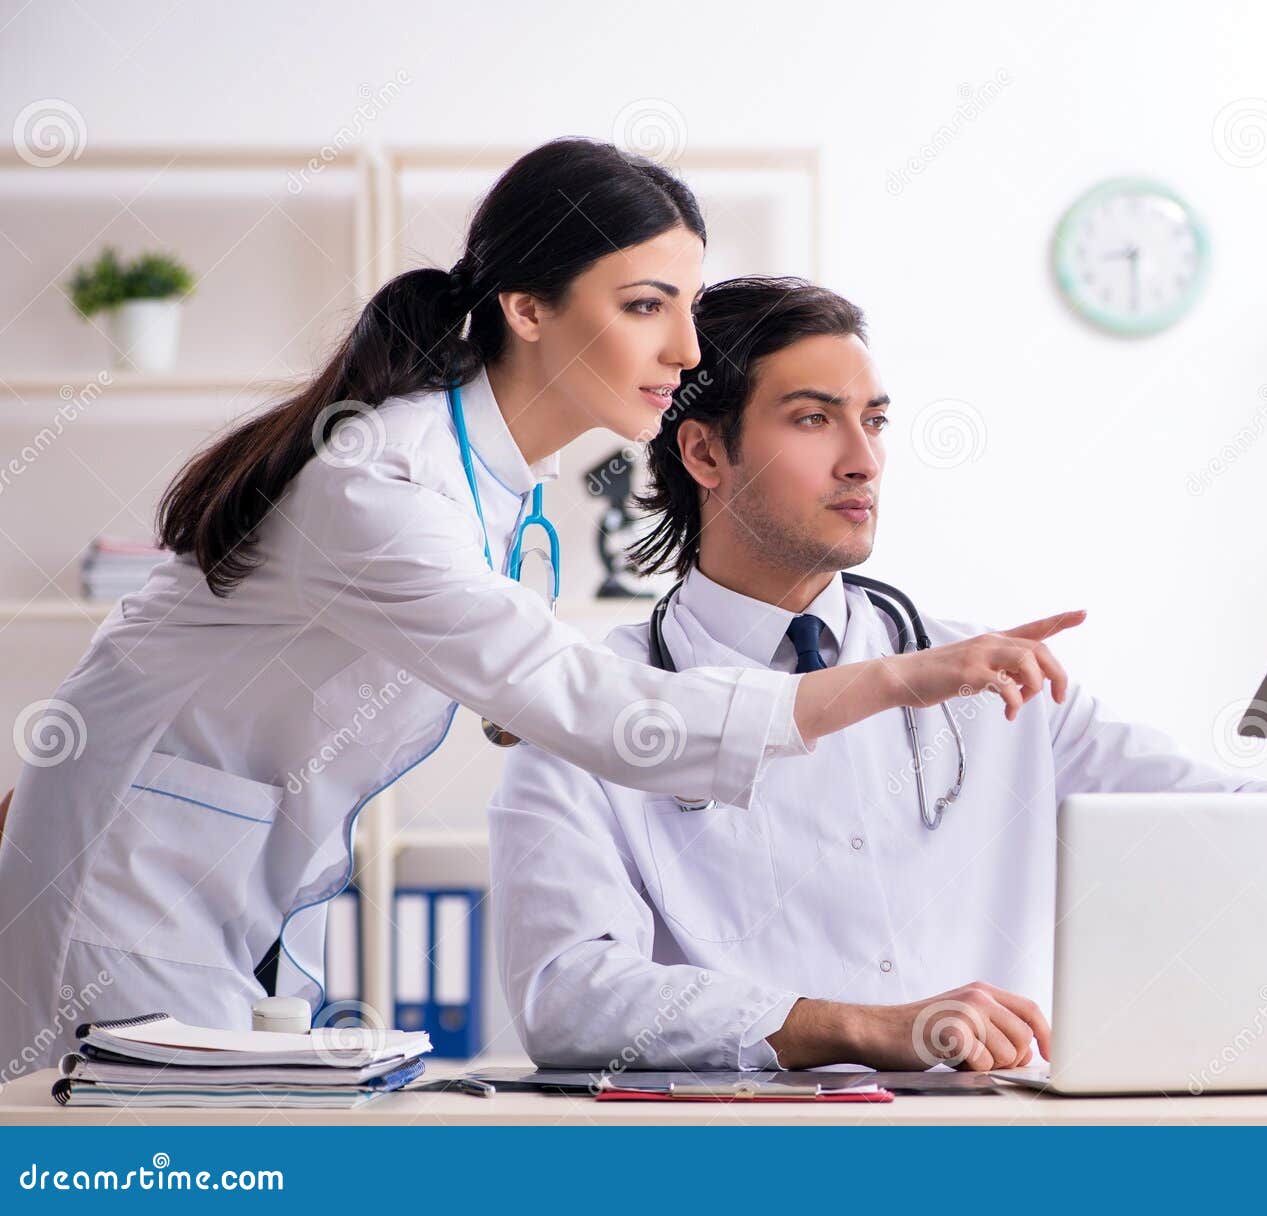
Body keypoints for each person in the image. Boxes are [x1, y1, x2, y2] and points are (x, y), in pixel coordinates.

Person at [0, 146, 1074, 1072]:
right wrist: (898, 677)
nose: (688, 352)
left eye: (688, 308)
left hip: (228, 887)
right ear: (525, 307)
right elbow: (599, 710)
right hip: (126, 886)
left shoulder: (492, 487)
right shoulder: (381, 483)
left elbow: (483, 675)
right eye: (646, 305)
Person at [487, 277, 1267, 1073]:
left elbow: (1222, 819)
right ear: (705, 452)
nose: (863, 457)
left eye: (873, 421)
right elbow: (569, 994)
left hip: (988, 1145)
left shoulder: (991, 678)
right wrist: (856, 1023)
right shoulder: (586, 704)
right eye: (812, 420)